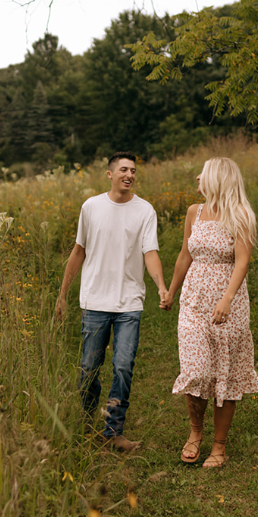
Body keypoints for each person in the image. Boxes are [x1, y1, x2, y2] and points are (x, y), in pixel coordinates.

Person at [56, 152, 167, 451]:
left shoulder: (145, 211)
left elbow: (150, 253)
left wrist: (161, 286)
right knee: (88, 367)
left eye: (133, 170)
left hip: (129, 302)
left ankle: (113, 432)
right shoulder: (91, 207)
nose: (129, 175)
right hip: (94, 301)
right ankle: (86, 423)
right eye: (123, 170)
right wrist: (62, 294)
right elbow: (78, 251)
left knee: (123, 366)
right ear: (109, 174)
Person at [161, 157, 258, 468]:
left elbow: (242, 261)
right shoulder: (195, 212)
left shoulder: (241, 214)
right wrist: (171, 291)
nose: (197, 179)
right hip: (193, 299)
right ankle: (195, 432)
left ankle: (219, 447)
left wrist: (227, 299)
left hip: (228, 302)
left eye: (201, 175)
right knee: (196, 369)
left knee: (226, 374)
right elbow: (184, 255)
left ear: (216, 179)